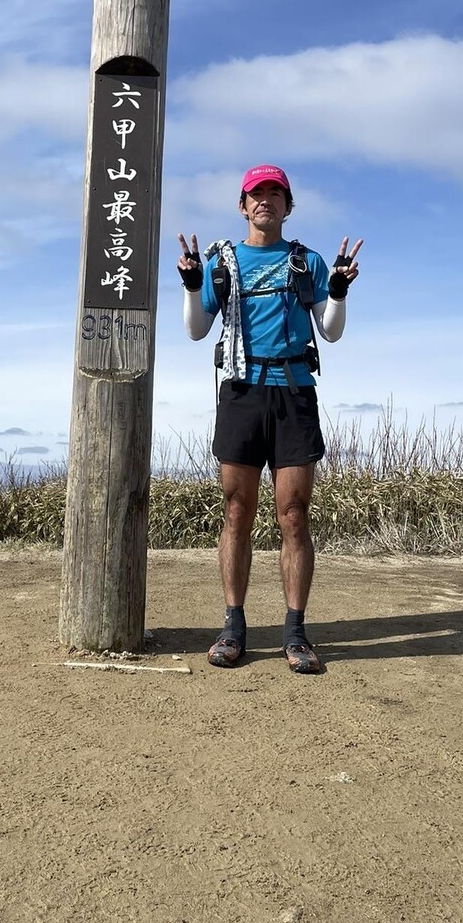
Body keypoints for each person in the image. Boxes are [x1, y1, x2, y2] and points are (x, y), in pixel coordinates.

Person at [177, 164, 362, 674]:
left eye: (275, 194)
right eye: (257, 194)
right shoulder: (222, 262)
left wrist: (340, 293)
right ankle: (233, 626)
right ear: (243, 205)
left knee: (294, 514)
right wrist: (193, 285)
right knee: (237, 509)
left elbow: (331, 331)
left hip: (294, 393)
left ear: (288, 206)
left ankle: (295, 632)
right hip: (240, 393)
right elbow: (196, 331)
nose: (266, 202)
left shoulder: (308, 261)